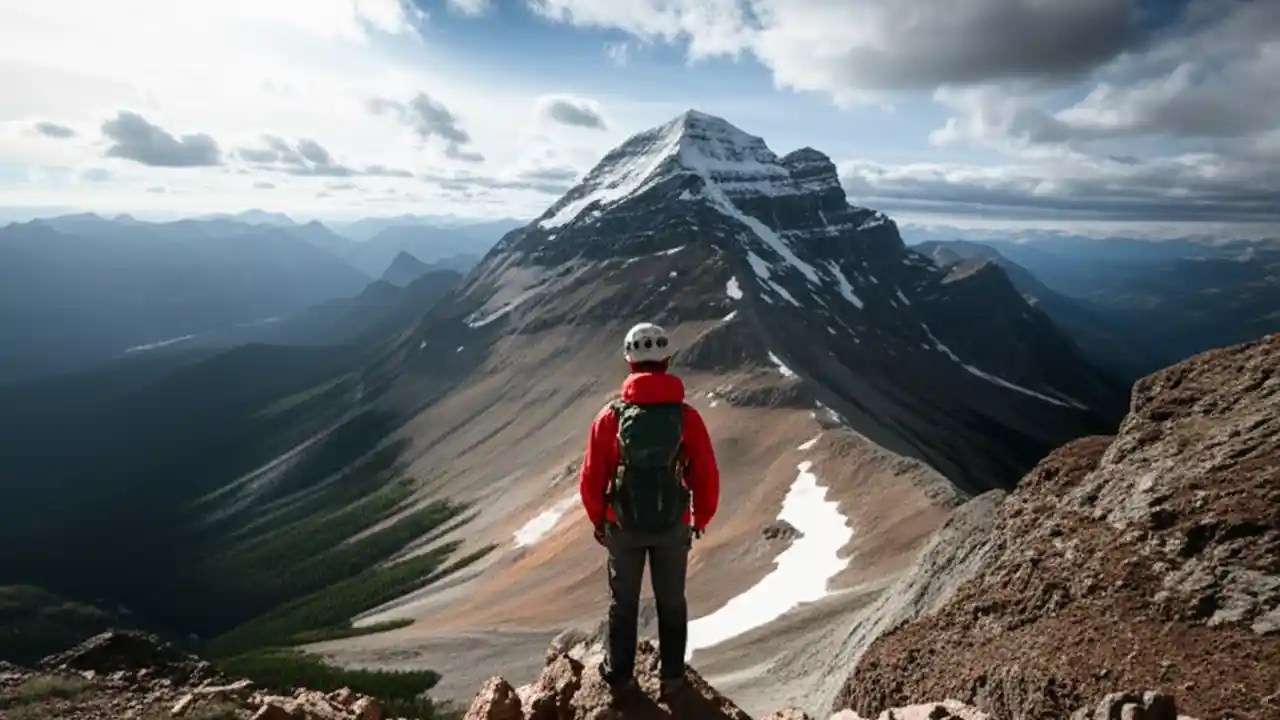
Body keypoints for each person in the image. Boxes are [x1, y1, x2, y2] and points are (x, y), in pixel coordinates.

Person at [579, 322, 720, 699]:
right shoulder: (687, 418)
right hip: (674, 525)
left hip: (622, 526)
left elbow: (592, 477)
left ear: (629, 363)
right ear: (667, 361)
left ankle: (620, 676)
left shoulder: (610, 418)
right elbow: (705, 472)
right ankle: (672, 679)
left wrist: (599, 520)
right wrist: (699, 519)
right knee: (671, 602)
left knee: (622, 604)